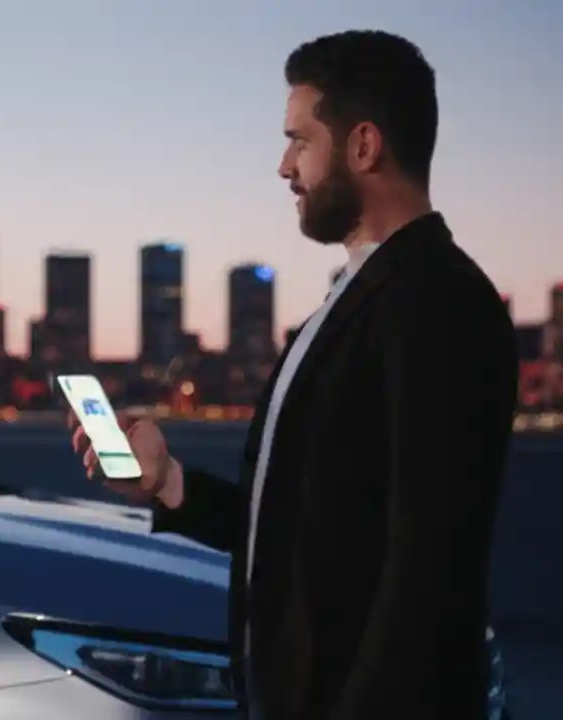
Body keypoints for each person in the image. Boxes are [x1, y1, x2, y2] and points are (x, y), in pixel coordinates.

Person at [70, 30, 518, 719]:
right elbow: (300, 527)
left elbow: (426, 573)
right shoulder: (350, 302)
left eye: (300, 140)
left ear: (363, 146)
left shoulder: (440, 302)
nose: (284, 166)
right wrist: (167, 484)